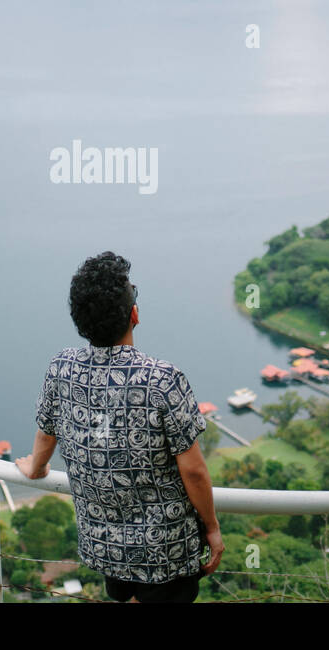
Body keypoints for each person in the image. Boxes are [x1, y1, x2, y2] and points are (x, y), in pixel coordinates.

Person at [16, 251, 224, 602]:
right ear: (135, 315)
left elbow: (46, 431)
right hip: (167, 554)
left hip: (107, 553)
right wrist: (213, 528)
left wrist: (35, 467)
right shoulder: (162, 380)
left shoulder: (62, 369)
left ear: (80, 319)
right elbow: (195, 472)